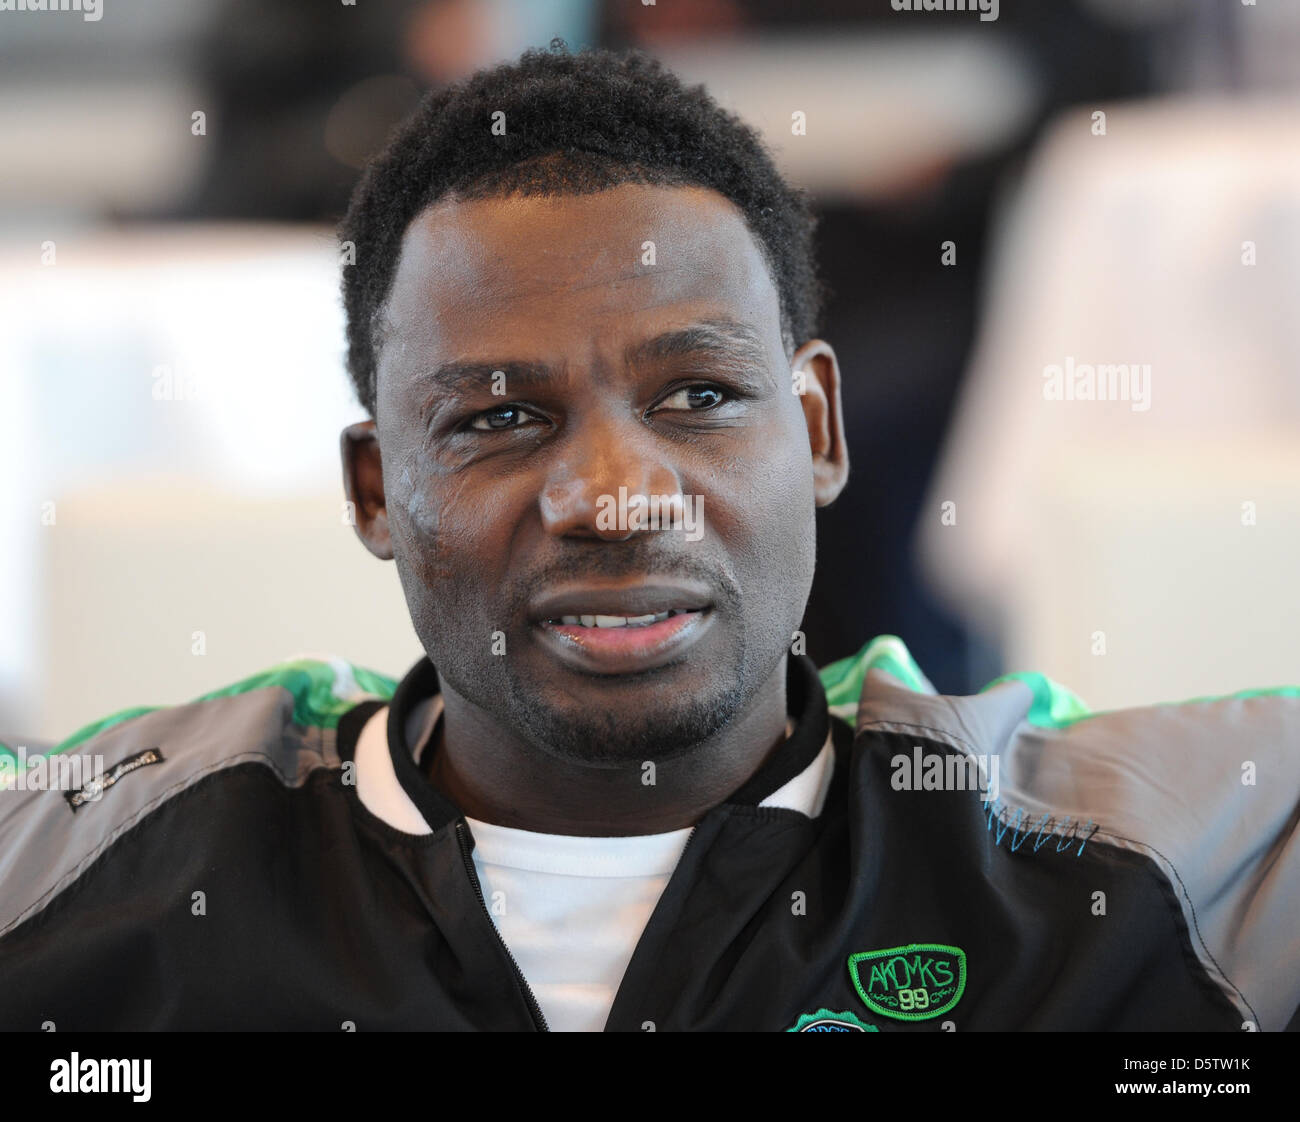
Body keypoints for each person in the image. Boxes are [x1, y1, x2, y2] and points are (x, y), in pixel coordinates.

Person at [1, 44, 1296, 1032]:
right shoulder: (105, 875)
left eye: (697, 397)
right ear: (376, 490)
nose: (615, 493)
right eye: (501, 416)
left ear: (818, 428)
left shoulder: (1129, 871)